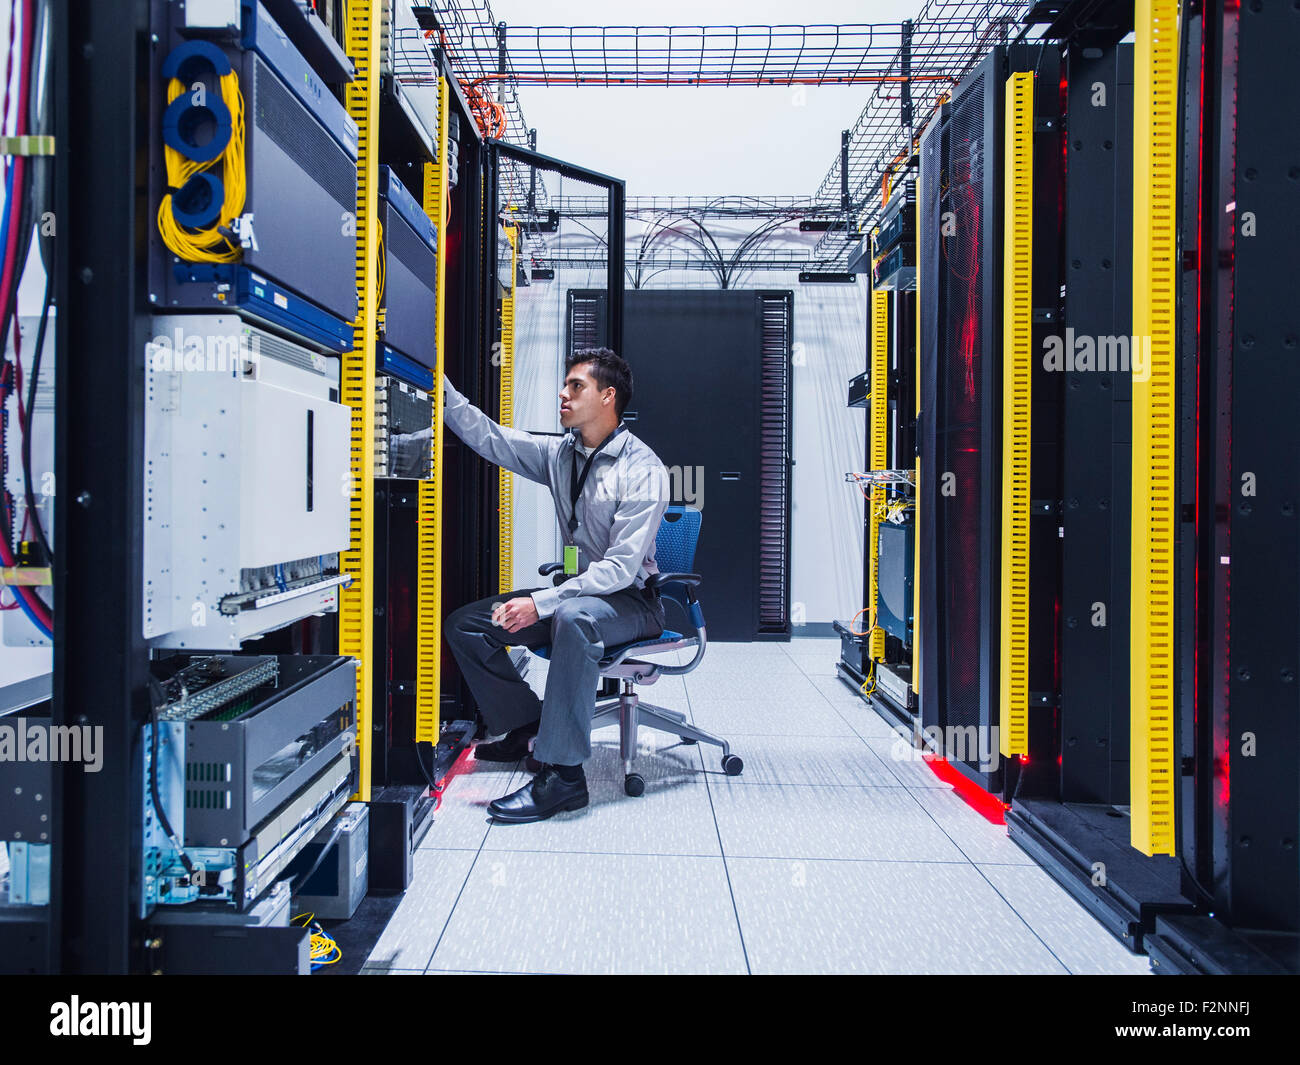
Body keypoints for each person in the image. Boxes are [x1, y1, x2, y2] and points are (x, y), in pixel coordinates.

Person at [437, 348, 669, 823]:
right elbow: (492, 439)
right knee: (468, 625)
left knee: (572, 616)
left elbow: (622, 569)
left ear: (608, 397)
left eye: (576, 386)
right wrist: (439, 389)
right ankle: (529, 727)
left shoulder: (643, 469)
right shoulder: (559, 454)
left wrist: (540, 603)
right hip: (576, 597)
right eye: (564, 385)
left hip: (629, 603)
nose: (563, 394)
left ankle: (564, 778)